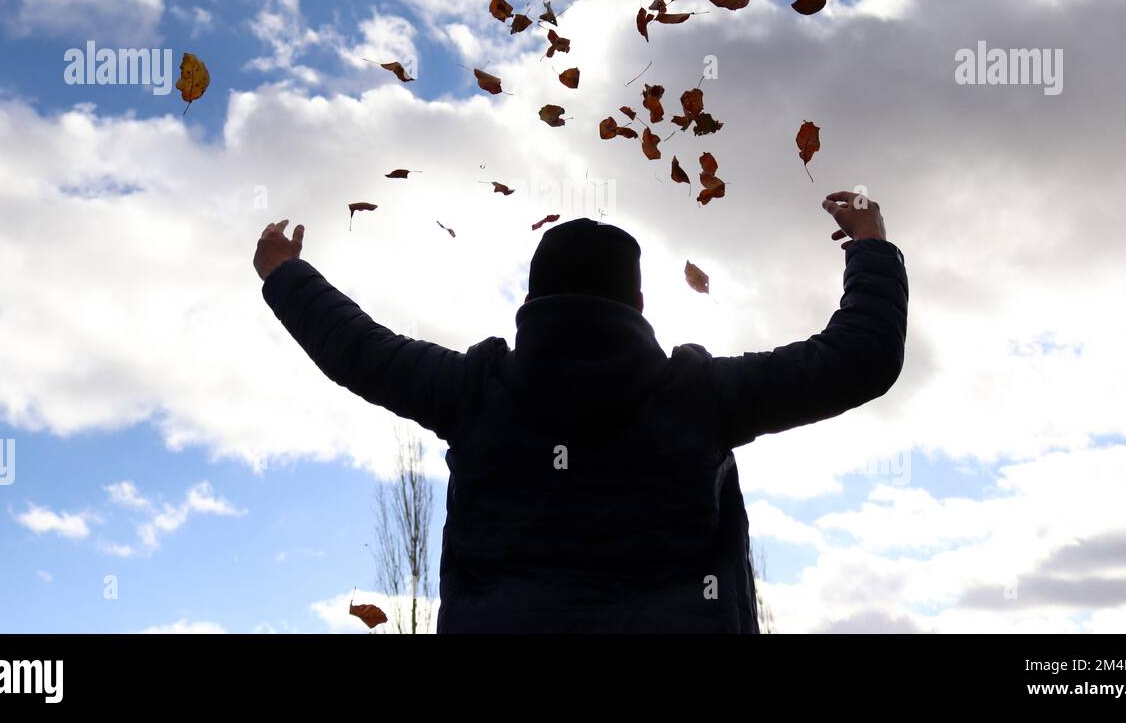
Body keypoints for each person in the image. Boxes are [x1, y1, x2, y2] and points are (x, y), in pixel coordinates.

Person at [254, 192, 907, 633]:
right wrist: (869, 244)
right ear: (641, 304)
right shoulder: (701, 395)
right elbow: (858, 359)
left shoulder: (474, 392)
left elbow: (359, 350)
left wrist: (285, 273)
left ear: (531, 298)